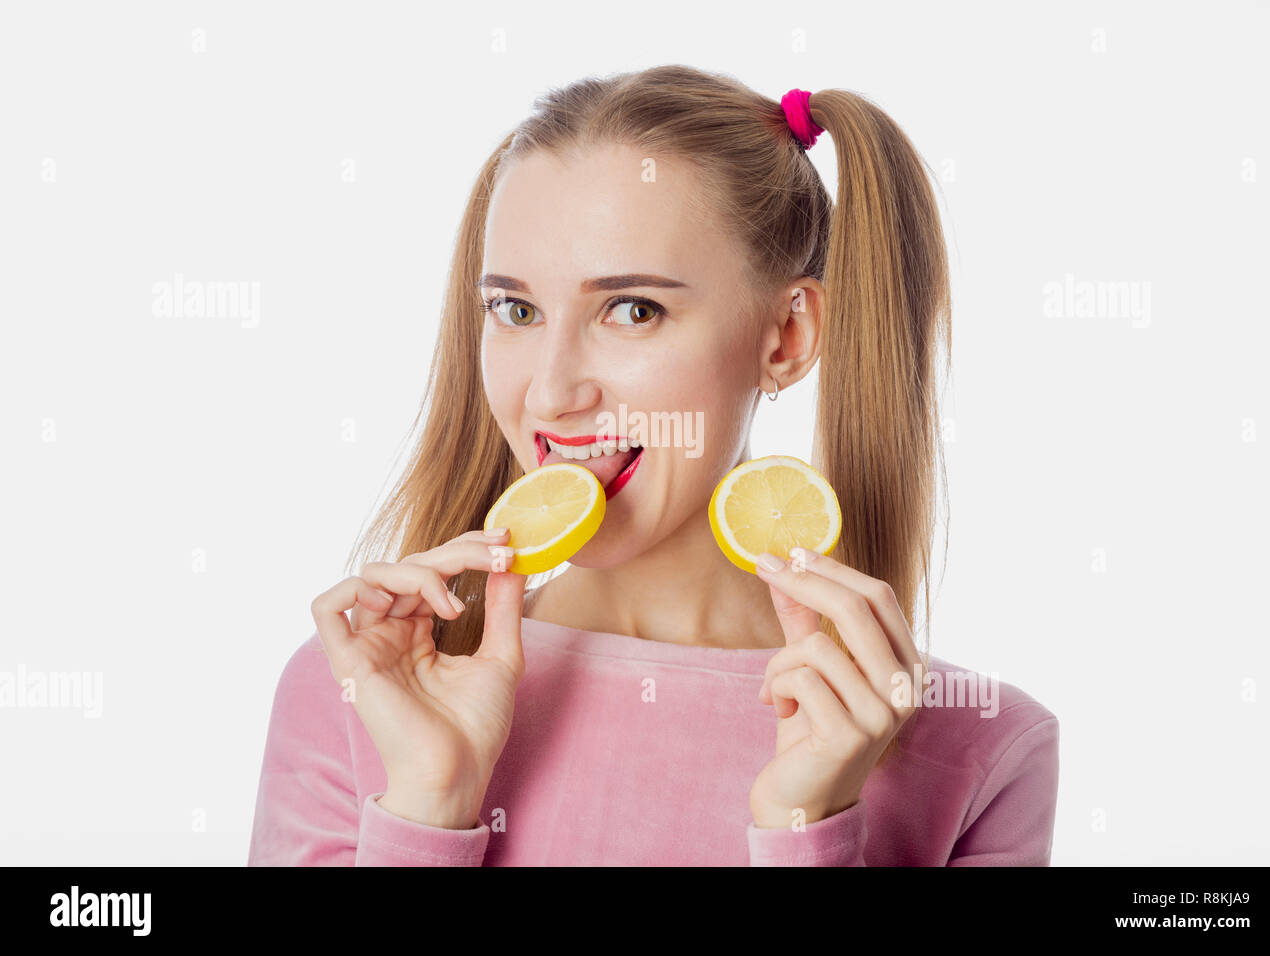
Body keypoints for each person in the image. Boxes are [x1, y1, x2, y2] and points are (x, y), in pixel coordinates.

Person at [248, 64, 1059, 866]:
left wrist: (807, 832)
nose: (553, 392)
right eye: (516, 310)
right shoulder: (360, 689)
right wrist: (427, 809)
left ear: (786, 337)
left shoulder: (981, 753)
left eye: (633, 310)